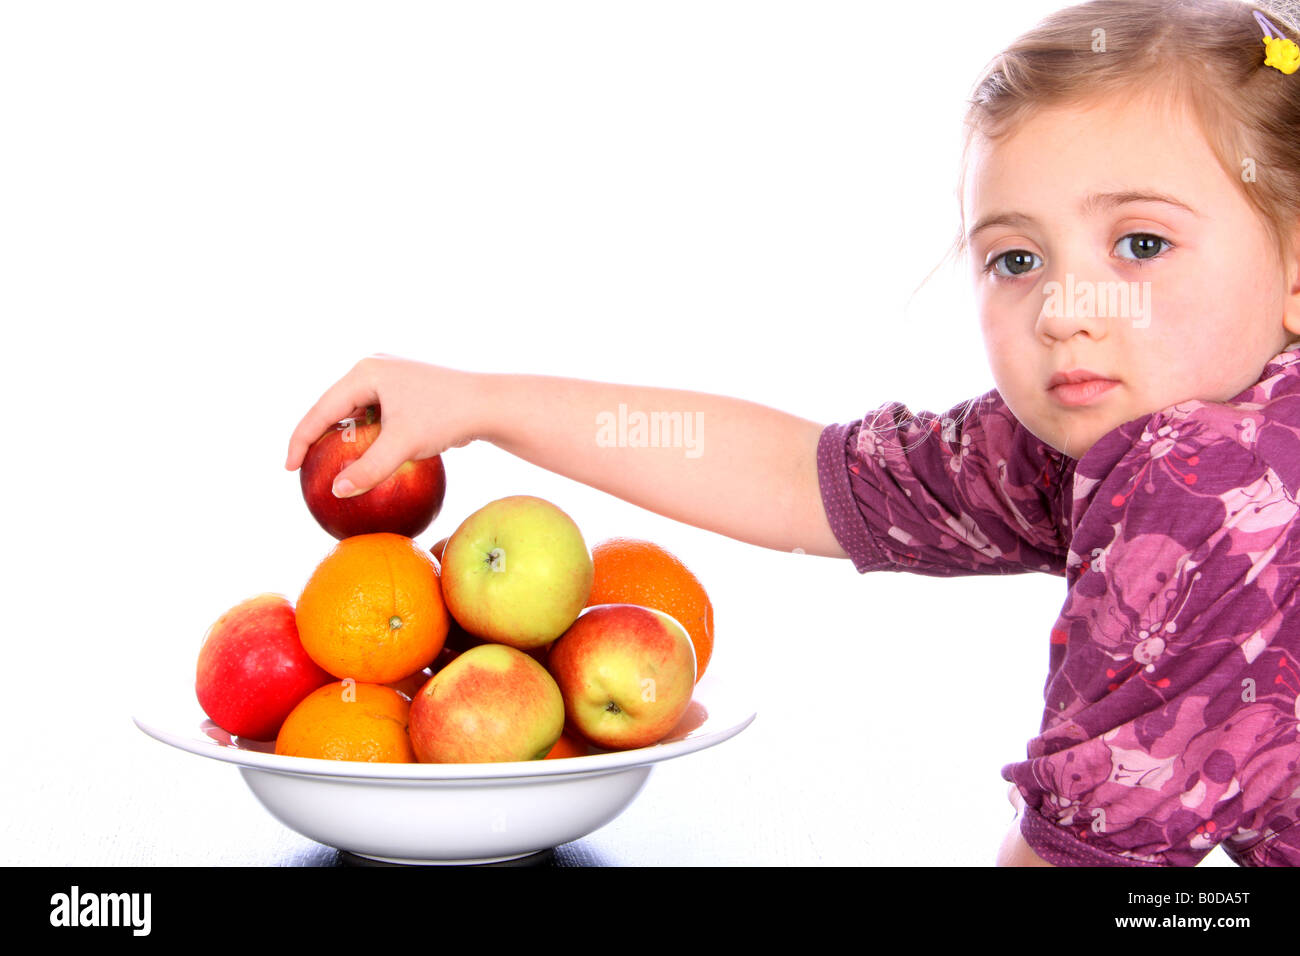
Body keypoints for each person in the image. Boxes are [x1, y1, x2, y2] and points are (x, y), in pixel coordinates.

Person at [285, 0, 1300, 866]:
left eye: (1140, 242)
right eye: (1014, 258)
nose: (1064, 307)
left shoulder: (1209, 478)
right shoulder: (1118, 422)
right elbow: (791, 476)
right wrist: (482, 402)